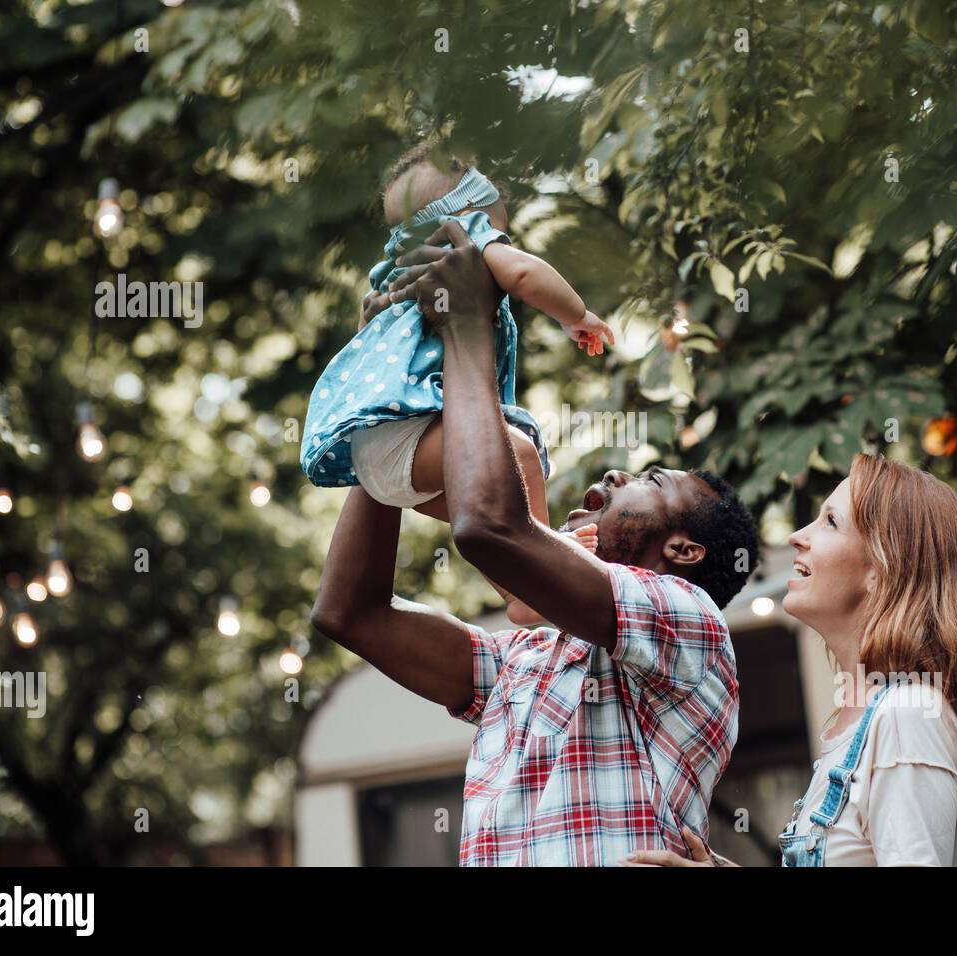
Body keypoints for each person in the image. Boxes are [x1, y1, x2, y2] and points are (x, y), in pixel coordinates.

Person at [310, 221, 762, 866]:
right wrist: (386, 414)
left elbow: (490, 528)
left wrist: (467, 327)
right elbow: (349, 614)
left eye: (650, 481)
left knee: (512, 457)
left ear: (685, 551)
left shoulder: (693, 627)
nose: (613, 476)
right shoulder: (527, 658)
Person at [623, 453, 957, 867]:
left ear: (883, 569)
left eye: (830, 522)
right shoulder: (864, 725)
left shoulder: (906, 718)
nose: (798, 536)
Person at [301, 139, 614, 625]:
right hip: (409, 436)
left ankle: (521, 592)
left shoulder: (394, 269)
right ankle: (547, 556)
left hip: (378, 452)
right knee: (517, 456)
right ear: (474, 208)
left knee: (483, 511)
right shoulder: (468, 237)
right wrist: (578, 316)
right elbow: (526, 274)